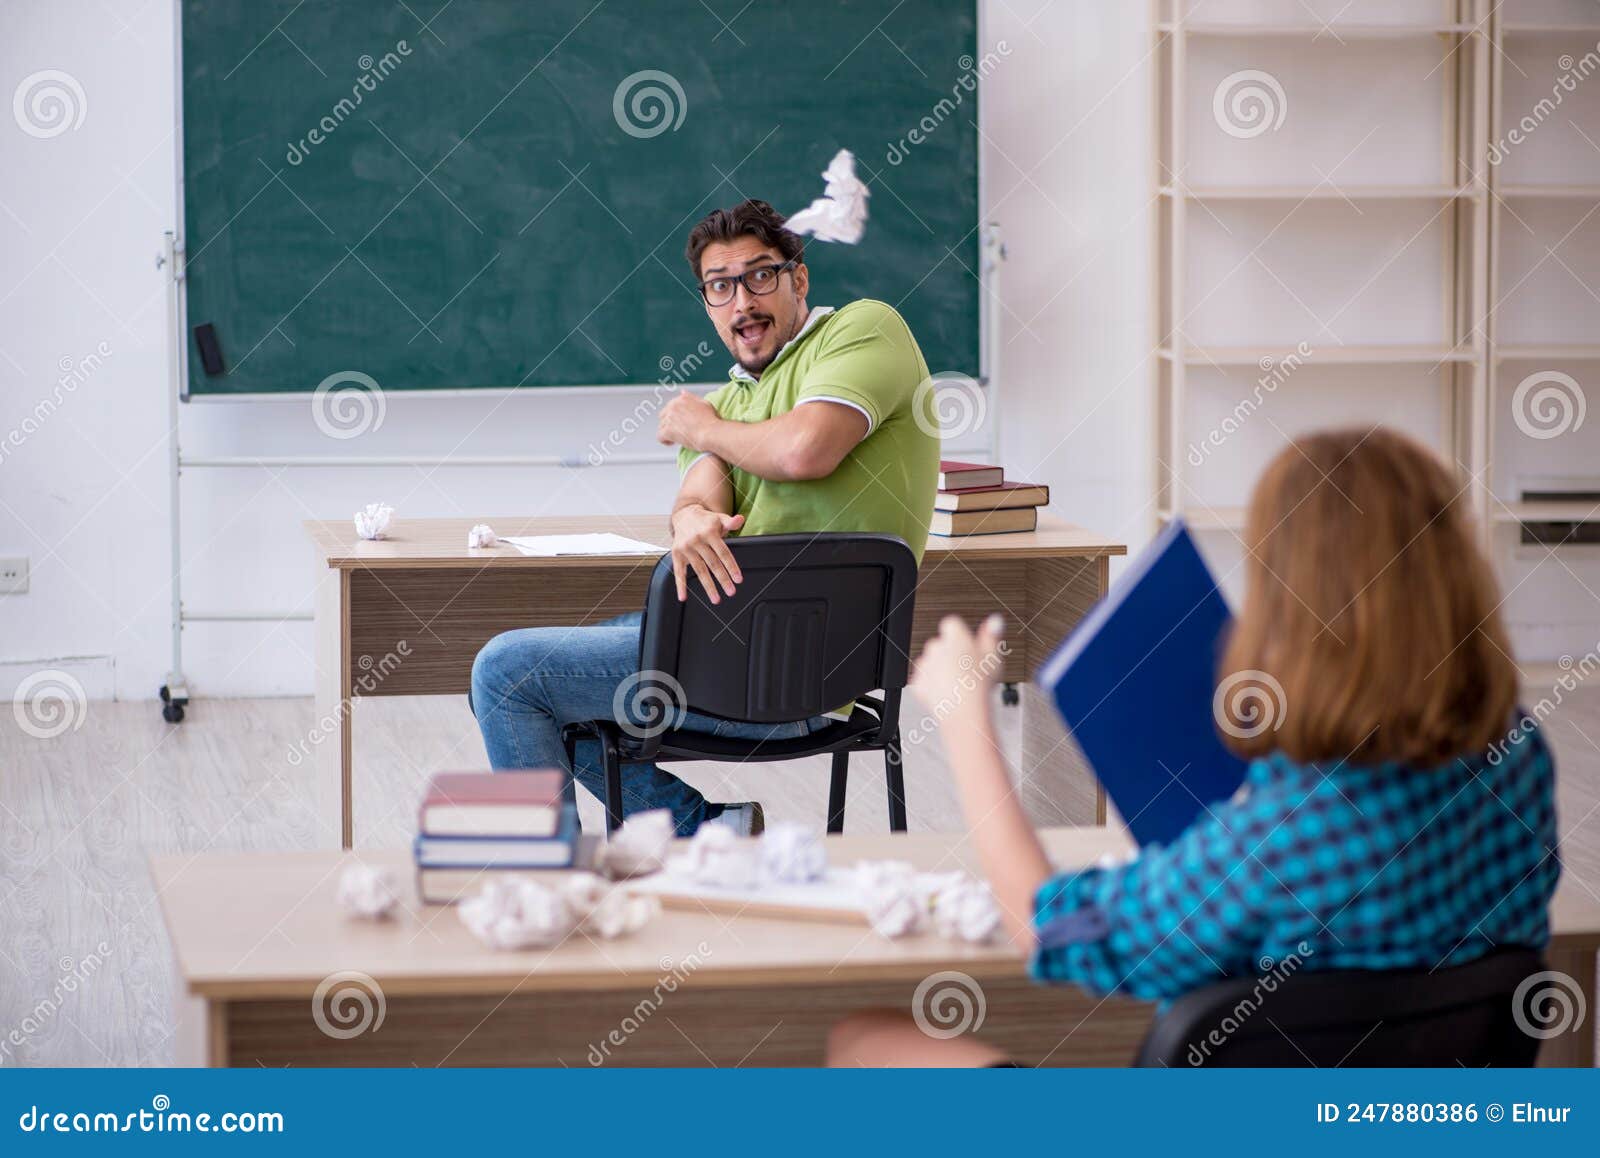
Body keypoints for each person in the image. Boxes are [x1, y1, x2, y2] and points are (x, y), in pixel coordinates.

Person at [829, 426, 1560, 1066]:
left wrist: (966, 724)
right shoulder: (1520, 759)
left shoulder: (1278, 844)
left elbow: (1050, 925)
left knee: (868, 1039)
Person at [471, 199, 939, 835]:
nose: (742, 301)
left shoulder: (864, 330)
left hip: (805, 673)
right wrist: (688, 518)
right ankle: (711, 830)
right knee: (545, 684)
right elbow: (700, 498)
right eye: (721, 286)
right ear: (708, 303)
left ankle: (565, 881)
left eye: (760, 276)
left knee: (505, 675)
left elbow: (806, 449)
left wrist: (706, 428)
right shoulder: (725, 407)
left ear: (799, 279)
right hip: (726, 658)